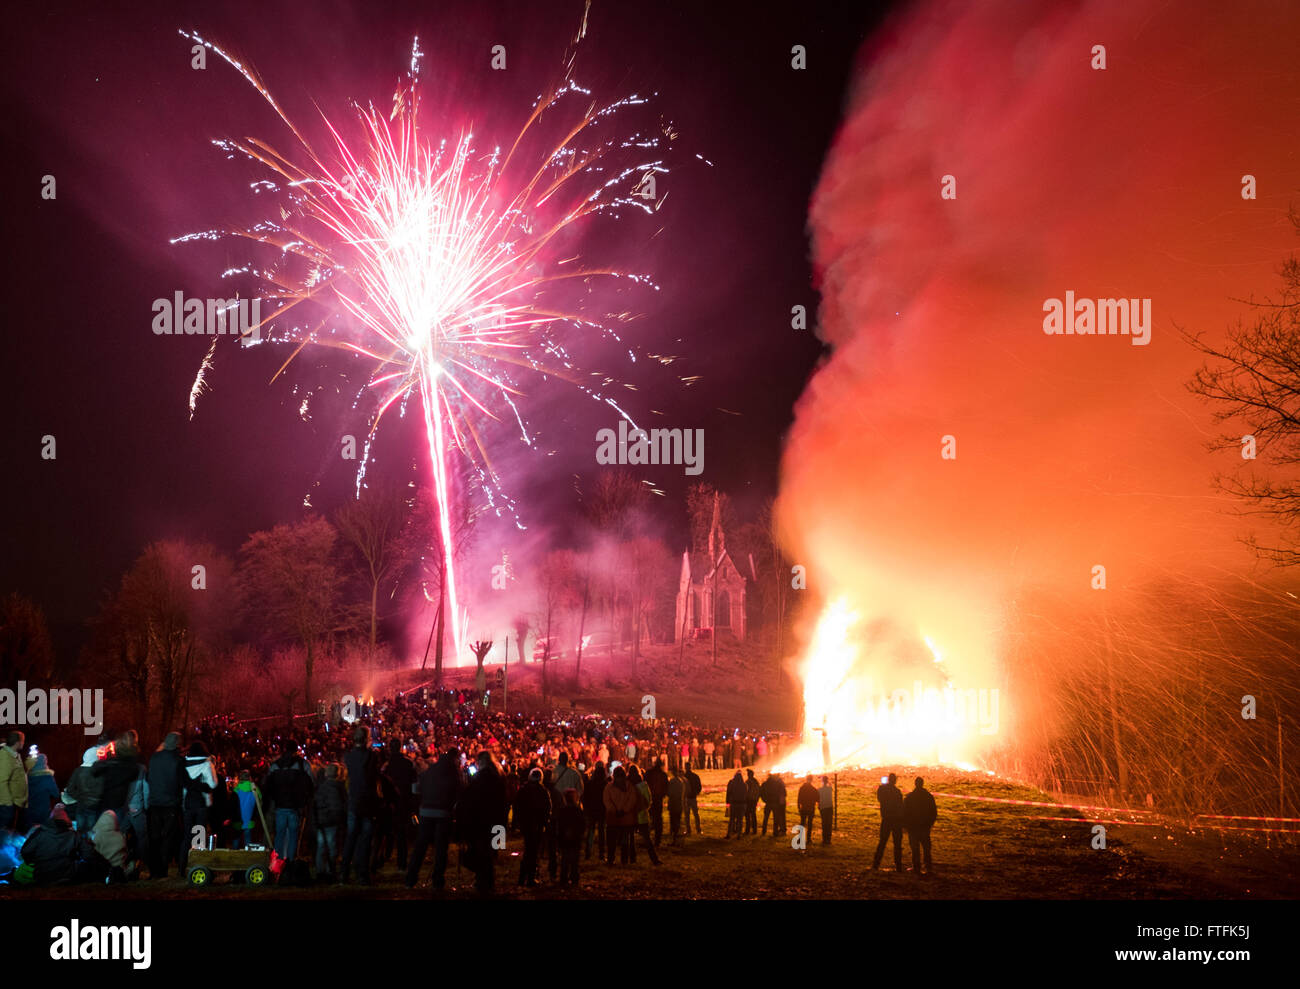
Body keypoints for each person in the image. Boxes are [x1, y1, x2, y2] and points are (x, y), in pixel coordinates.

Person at [406, 748, 461, 891]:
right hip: (443, 813)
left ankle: (410, 878)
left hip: (426, 811)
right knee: (441, 848)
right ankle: (438, 880)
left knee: (420, 846)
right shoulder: (453, 773)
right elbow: (458, 792)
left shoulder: (429, 771)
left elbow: (417, 788)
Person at [456, 750, 507, 894]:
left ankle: (484, 882)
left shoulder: (482, 778)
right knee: (490, 851)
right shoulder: (499, 775)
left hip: (482, 821)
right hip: (496, 819)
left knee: (481, 852)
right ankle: (488, 882)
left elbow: (472, 798)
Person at [341, 725, 380, 885]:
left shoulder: (348, 756)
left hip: (354, 800)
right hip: (367, 802)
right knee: (365, 840)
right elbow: (373, 777)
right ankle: (362, 874)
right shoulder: (371, 756)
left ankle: (344, 873)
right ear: (366, 739)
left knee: (351, 839)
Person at [20, 804, 94, 885]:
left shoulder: (39, 833)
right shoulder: (74, 835)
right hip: (67, 875)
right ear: (67, 820)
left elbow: (25, 851)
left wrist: (36, 861)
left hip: (42, 875)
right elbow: (88, 855)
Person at [264, 745, 314, 862]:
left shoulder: (275, 765)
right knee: (293, 835)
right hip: (295, 806)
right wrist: (306, 800)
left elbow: (268, 784)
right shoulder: (303, 764)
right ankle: (291, 861)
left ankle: (277, 860)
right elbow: (311, 782)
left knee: (279, 834)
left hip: (280, 805)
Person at [146, 732, 185, 878]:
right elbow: (180, 782)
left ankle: (154, 870)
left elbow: (149, 777)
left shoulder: (154, 758)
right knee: (167, 837)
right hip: (171, 804)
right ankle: (163, 869)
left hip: (154, 802)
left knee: (154, 837)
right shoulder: (178, 760)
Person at [179, 741, 217, 872]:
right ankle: (197, 865)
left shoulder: (184, 764)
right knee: (199, 833)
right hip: (201, 803)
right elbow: (212, 784)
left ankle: (182, 865)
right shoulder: (207, 764)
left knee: (187, 835)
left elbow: (183, 785)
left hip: (187, 803)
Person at [384, 739, 417, 872]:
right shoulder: (408, 763)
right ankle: (401, 863)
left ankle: (383, 858)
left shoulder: (387, 765)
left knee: (387, 832)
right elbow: (414, 783)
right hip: (404, 800)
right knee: (402, 832)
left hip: (389, 802)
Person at [515, 767, 550, 886]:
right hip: (537, 825)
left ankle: (522, 877)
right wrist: (545, 822)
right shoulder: (542, 791)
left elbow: (517, 806)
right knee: (533, 851)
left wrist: (519, 821)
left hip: (527, 824)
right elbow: (547, 808)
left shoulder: (524, 790)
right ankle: (530, 877)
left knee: (528, 850)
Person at [312, 765, 345, 879]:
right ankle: (330, 870)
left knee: (321, 845)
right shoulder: (339, 787)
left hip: (322, 820)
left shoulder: (321, 787)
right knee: (332, 846)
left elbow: (316, 803)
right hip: (332, 821)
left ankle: (320, 871)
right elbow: (341, 805)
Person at [602, 765, 639, 865]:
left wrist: (614, 810)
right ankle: (624, 859)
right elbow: (632, 800)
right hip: (626, 818)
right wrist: (624, 810)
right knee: (624, 840)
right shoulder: (630, 787)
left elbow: (606, 801)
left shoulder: (609, 787)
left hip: (613, 818)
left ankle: (611, 859)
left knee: (611, 841)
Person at [902, 777, 938, 876]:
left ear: (915, 784)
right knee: (926, 848)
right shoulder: (928, 797)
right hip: (924, 827)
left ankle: (916, 867)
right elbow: (933, 812)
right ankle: (928, 867)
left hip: (914, 828)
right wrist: (929, 824)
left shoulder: (910, 797)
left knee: (915, 848)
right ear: (922, 784)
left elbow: (904, 813)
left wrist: (906, 825)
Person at [628, 765, 661, 865]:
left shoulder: (627, 785)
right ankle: (654, 859)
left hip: (630, 816)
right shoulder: (643, 785)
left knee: (631, 839)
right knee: (647, 839)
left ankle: (632, 859)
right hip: (642, 816)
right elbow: (649, 800)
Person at [872, 772, 905, 871]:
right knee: (897, 844)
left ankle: (876, 864)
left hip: (886, 819)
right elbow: (901, 806)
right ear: (895, 780)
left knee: (882, 842)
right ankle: (898, 866)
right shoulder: (897, 792)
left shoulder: (882, 789)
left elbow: (880, 798)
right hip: (896, 820)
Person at [555, 789, 586, 887]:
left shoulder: (562, 811)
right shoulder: (578, 811)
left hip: (564, 839)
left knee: (565, 859)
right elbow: (582, 825)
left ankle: (564, 878)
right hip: (575, 839)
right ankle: (574, 878)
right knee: (574, 860)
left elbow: (559, 825)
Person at [0, 731, 30, 831]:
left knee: (10, 833)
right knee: (4, 836)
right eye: (23, 741)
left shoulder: (14, 755)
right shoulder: (5, 756)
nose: (23, 743)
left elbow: (18, 775)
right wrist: (8, 803)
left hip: (15, 803)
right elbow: (1, 781)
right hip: (7, 805)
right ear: (18, 742)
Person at [24, 753, 59, 828]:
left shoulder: (27, 777)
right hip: (43, 812)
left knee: (30, 835)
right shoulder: (47, 777)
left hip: (29, 811)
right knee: (43, 834)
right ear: (44, 762)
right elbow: (56, 794)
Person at [582, 761, 607, 861]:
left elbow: (585, 797)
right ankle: (601, 853)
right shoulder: (605, 784)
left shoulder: (590, 783)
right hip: (601, 810)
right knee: (601, 831)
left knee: (591, 831)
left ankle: (588, 852)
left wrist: (586, 808)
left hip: (592, 810)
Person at [645, 757, 669, 846]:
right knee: (658, 819)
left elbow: (645, 784)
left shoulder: (649, 773)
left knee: (649, 818)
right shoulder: (663, 775)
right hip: (658, 799)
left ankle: (647, 839)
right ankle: (657, 840)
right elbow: (666, 787)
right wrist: (663, 795)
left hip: (650, 798)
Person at [666, 766, 685, 845]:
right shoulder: (681, 781)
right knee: (678, 822)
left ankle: (675, 840)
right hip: (679, 804)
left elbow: (669, 792)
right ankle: (678, 840)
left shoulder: (672, 781)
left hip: (673, 804)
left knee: (673, 823)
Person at [725, 770, 747, 839]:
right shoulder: (744, 785)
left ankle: (729, 834)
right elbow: (746, 795)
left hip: (734, 804)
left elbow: (728, 793)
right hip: (741, 804)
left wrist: (727, 803)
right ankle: (739, 835)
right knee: (740, 820)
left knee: (732, 820)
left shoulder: (732, 784)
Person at [683, 762, 703, 835]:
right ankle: (698, 829)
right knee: (696, 814)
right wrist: (696, 793)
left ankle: (688, 830)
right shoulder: (695, 776)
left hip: (686, 798)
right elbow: (699, 786)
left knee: (687, 815)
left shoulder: (684, 777)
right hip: (693, 798)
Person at [797, 775, 818, 839]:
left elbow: (799, 798)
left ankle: (800, 838)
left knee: (802, 823)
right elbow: (817, 799)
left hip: (803, 808)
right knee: (810, 824)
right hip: (811, 808)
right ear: (811, 780)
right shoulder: (813, 789)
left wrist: (799, 807)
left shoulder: (802, 788)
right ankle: (808, 838)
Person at [818, 776, 834, 845]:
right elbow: (831, 786)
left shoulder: (819, 790)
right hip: (829, 807)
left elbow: (818, 799)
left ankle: (824, 839)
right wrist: (828, 782)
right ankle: (828, 839)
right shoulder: (829, 789)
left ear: (822, 781)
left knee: (824, 823)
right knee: (829, 823)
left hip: (823, 807)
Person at [744, 769, 760, 835]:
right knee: (753, 815)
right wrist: (757, 799)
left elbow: (745, 792)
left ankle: (747, 830)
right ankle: (754, 830)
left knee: (747, 815)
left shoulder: (748, 782)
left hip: (749, 800)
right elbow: (759, 791)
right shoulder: (756, 782)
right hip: (754, 800)